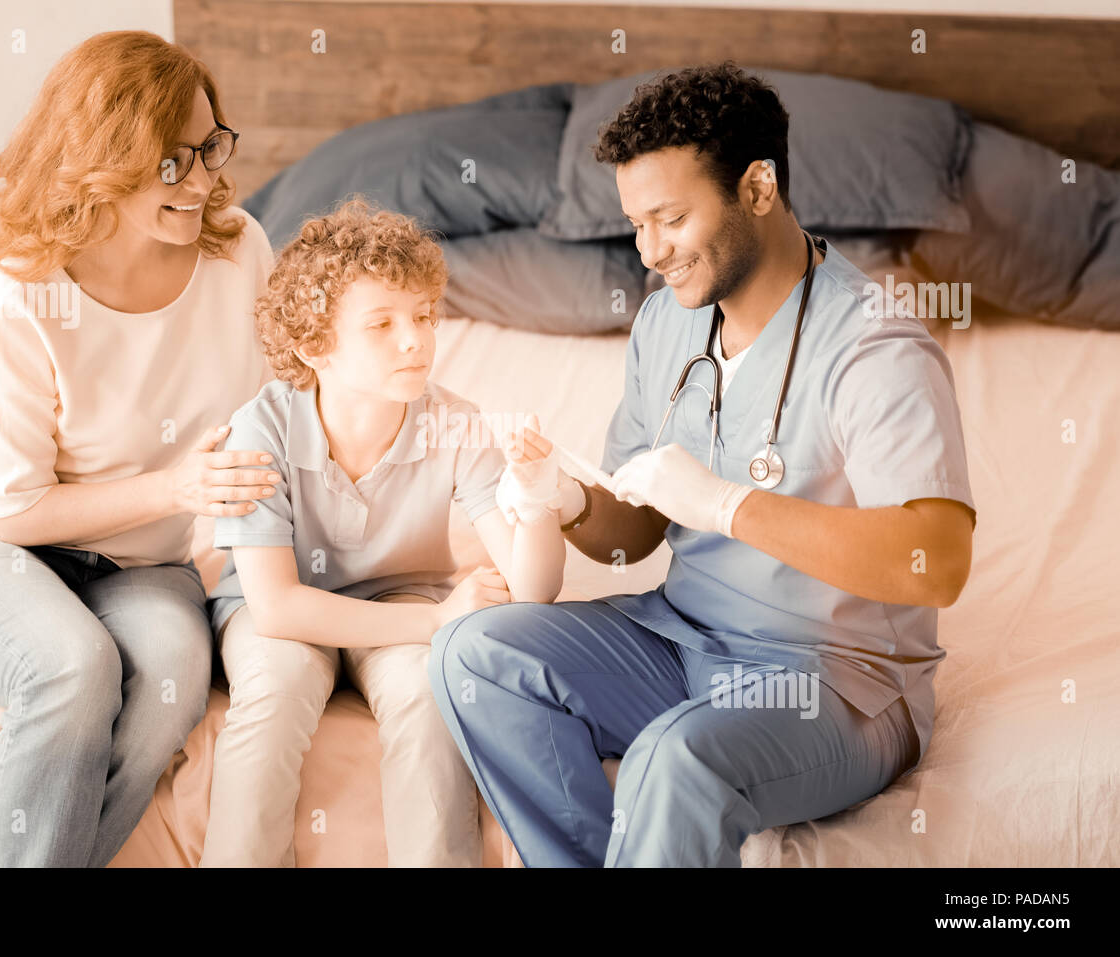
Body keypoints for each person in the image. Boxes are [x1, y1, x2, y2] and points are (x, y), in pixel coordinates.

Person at [428, 63, 978, 867]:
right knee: (474, 654)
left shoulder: (874, 347)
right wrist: (569, 501)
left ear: (759, 187)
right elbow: (634, 535)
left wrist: (727, 505)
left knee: (673, 757)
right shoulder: (666, 326)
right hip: (681, 639)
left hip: (837, 683)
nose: (651, 252)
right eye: (636, 224)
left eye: (671, 218)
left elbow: (938, 565)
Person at [0, 31, 281, 867]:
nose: (205, 180)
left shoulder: (239, 249)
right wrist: (178, 488)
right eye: (174, 162)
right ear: (104, 161)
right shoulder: (18, 300)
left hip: (139, 565)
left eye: (211, 148)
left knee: (171, 677)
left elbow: (288, 396)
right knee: (74, 671)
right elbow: (20, 510)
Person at [200, 197, 567, 867]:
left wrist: (537, 496)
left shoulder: (457, 422)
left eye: (425, 316)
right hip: (281, 611)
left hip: (399, 598)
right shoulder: (261, 427)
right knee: (276, 693)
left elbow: (531, 589)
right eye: (383, 323)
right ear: (316, 346)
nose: (416, 338)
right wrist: (439, 623)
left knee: (428, 700)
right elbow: (277, 607)